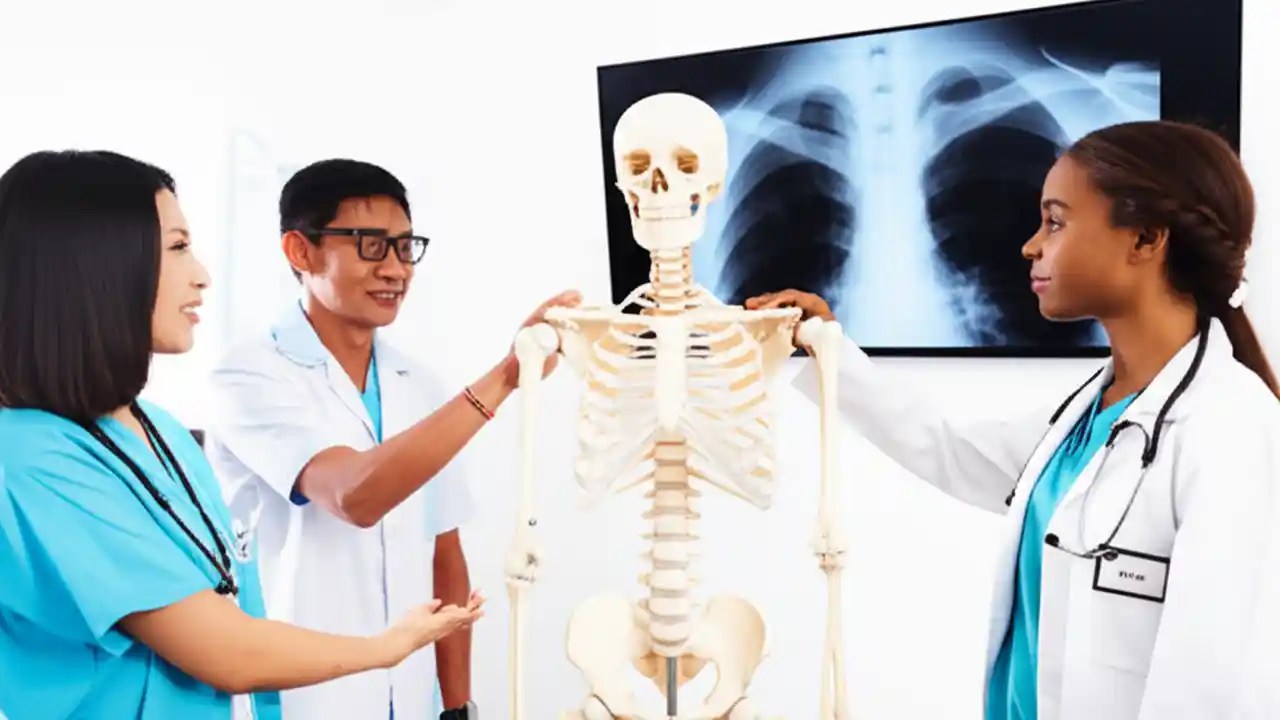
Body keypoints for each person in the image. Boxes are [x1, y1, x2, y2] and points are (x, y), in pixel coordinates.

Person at [748, 120, 1280, 719]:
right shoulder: (1090, 415)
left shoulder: (1230, 428)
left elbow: (1217, 689)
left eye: (1055, 221)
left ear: (1146, 239)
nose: (1031, 245)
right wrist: (828, 349)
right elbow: (949, 451)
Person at [0, 150, 482, 720]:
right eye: (177, 246)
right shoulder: (30, 459)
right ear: (93, 265)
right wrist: (387, 648)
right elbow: (225, 648)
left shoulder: (164, 432)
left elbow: (439, 549)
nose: (201, 273)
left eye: (405, 248)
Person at [203, 158, 578, 720]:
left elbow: (443, 556)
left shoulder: (419, 386)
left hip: (412, 699)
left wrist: (458, 708)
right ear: (300, 252)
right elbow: (356, 497)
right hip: (302, 699)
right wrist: (506, 377)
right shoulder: (249, 376)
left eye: (405, 248)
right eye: (370, 246)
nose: (396, 269)